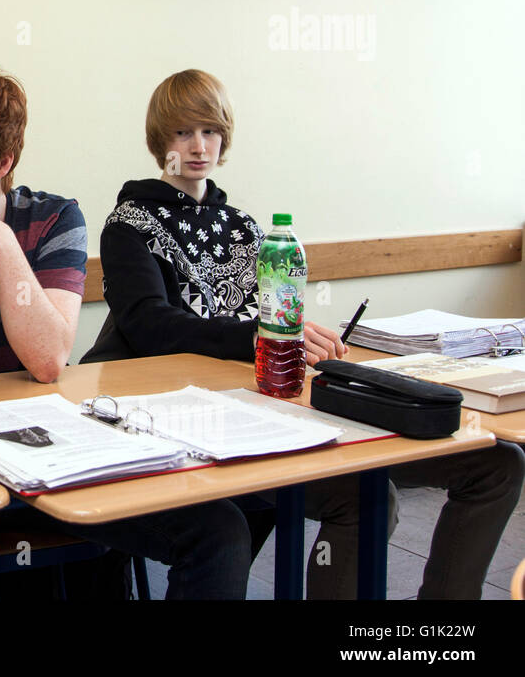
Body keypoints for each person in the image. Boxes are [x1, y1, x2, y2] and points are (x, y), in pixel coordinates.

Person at [85, 68, 525, 599]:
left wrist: (301, 340)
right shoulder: (129, 222)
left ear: (226, 136)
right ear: (161, 141)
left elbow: (269, 316)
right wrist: (257, 338)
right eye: (182, 133)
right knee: (366, 499)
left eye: (210, 131)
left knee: (499, 461)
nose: (198, 146)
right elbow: (150, 325)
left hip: (256, 404)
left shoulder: (247, 228)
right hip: (166, 414)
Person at [0, 56, 252, 598]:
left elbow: (47, 361)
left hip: (42, 446)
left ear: (4, 160)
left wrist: (1, 241)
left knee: (220, 530)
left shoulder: (56, 219)